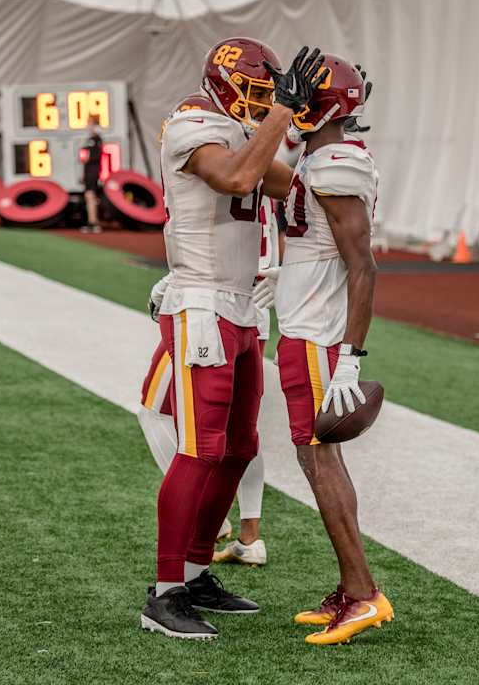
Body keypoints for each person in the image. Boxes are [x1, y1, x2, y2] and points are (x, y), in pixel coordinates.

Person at [139, 39, 325, 641]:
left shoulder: (239, 124)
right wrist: (278, 118)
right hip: (201, 302)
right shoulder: (191, 122)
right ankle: (165, 593)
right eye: (258, 89)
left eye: (270, 94)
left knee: (240, 447)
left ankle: (195, 573)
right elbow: (239, 175)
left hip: (243, 306)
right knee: (200, 448)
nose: (264, 101)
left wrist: (324, 134)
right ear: (221, 82)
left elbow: (284, 185)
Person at [251, 55, 393, 646]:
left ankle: (362, 595)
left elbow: (362, 267)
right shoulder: (320, 159)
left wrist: (351, 357)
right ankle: (354, 587)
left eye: (298, 95)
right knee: (316, 461)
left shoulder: (335, 161)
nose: (288, 102)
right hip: (305, 326)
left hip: (318, 337)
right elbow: (313, 241)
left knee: (321, 461)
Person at [80, 116, 104, 233]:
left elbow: (94, 157)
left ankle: (93, 223)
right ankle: (92, 221)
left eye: (89, 123)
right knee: (89, 196)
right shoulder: (92, 139)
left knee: (90, 196)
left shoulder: (96, 139)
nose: (87, 125)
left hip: (92, 172)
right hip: (89, 172)